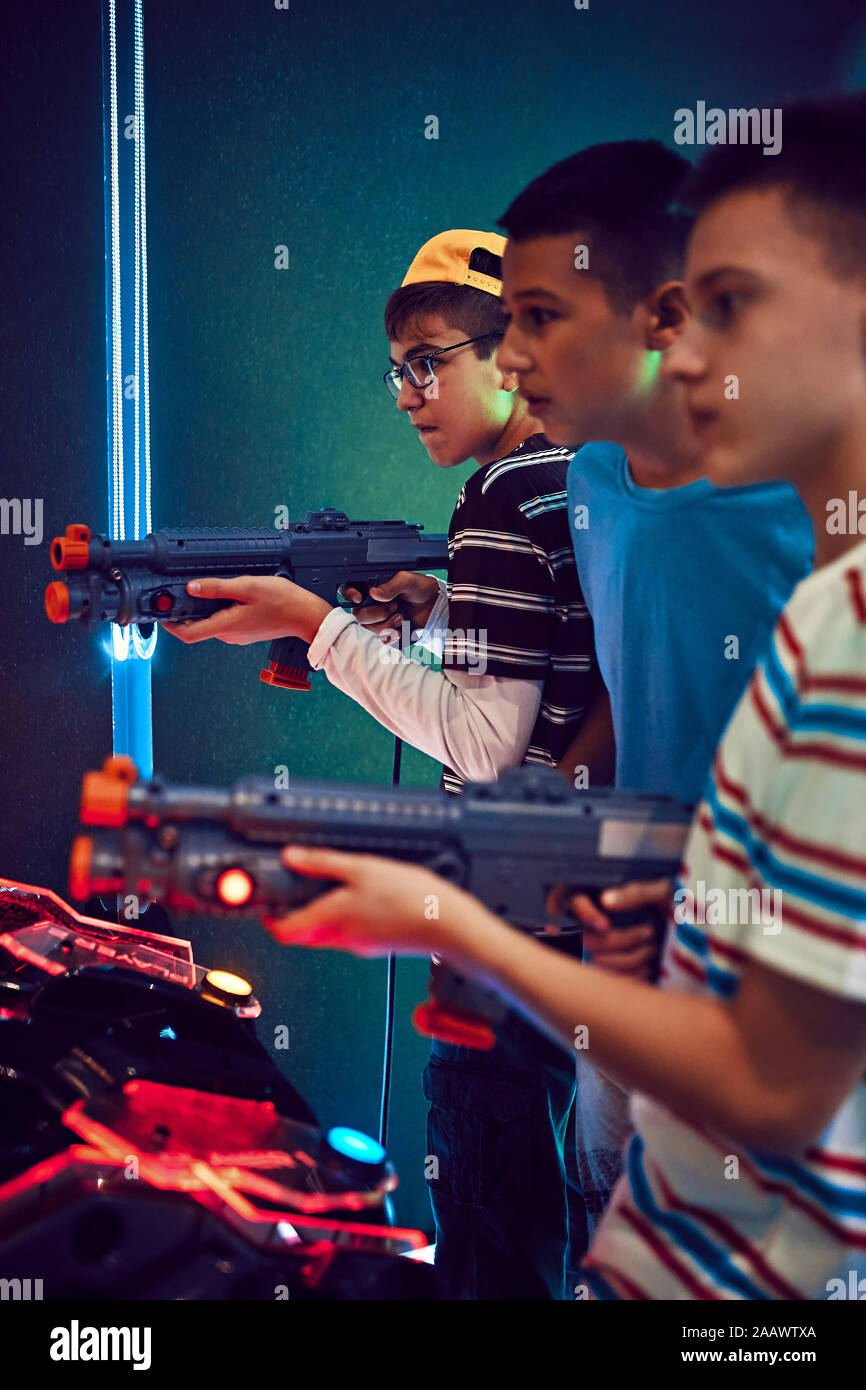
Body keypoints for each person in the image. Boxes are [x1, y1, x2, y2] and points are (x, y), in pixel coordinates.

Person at [262, 93, 866, 1300]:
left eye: (730, 306)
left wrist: (462, 918)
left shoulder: (822, 572)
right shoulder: (597, 489)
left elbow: (778, 1080)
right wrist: (605, 864)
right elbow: (620, 694)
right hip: (649, 972)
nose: (692, 352)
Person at [163, 230, 599, 1299]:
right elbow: (556, 663)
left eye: (428, 362)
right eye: (396, 371)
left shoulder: (498, 500)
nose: (405, 394)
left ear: (511, 354)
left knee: (492, 1254)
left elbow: (485, 745)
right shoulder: (565, 480)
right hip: (577, 930)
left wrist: (317, 628)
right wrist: (438, 608)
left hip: (503, 936)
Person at [494, 140, 813, 1234]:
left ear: (661, 315)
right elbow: (636, 700)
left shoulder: (803, 489)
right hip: (628, 955)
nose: (507, 359)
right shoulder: (583, 478)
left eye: (539, 317)